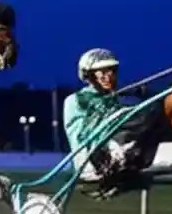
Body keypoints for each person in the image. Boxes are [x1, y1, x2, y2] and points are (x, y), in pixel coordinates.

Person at [62, 48, 160, 189]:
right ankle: (117, 156)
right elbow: (84, 135)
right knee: (137, 115)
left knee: (154, 112)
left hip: (117, 160)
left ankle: (131, 159)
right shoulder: (76, 100)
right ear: (89, 76)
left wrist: (141, 91)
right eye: (102, 72)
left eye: (112, 71)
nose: (109, 77)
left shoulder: (114, 100)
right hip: (92, 163)